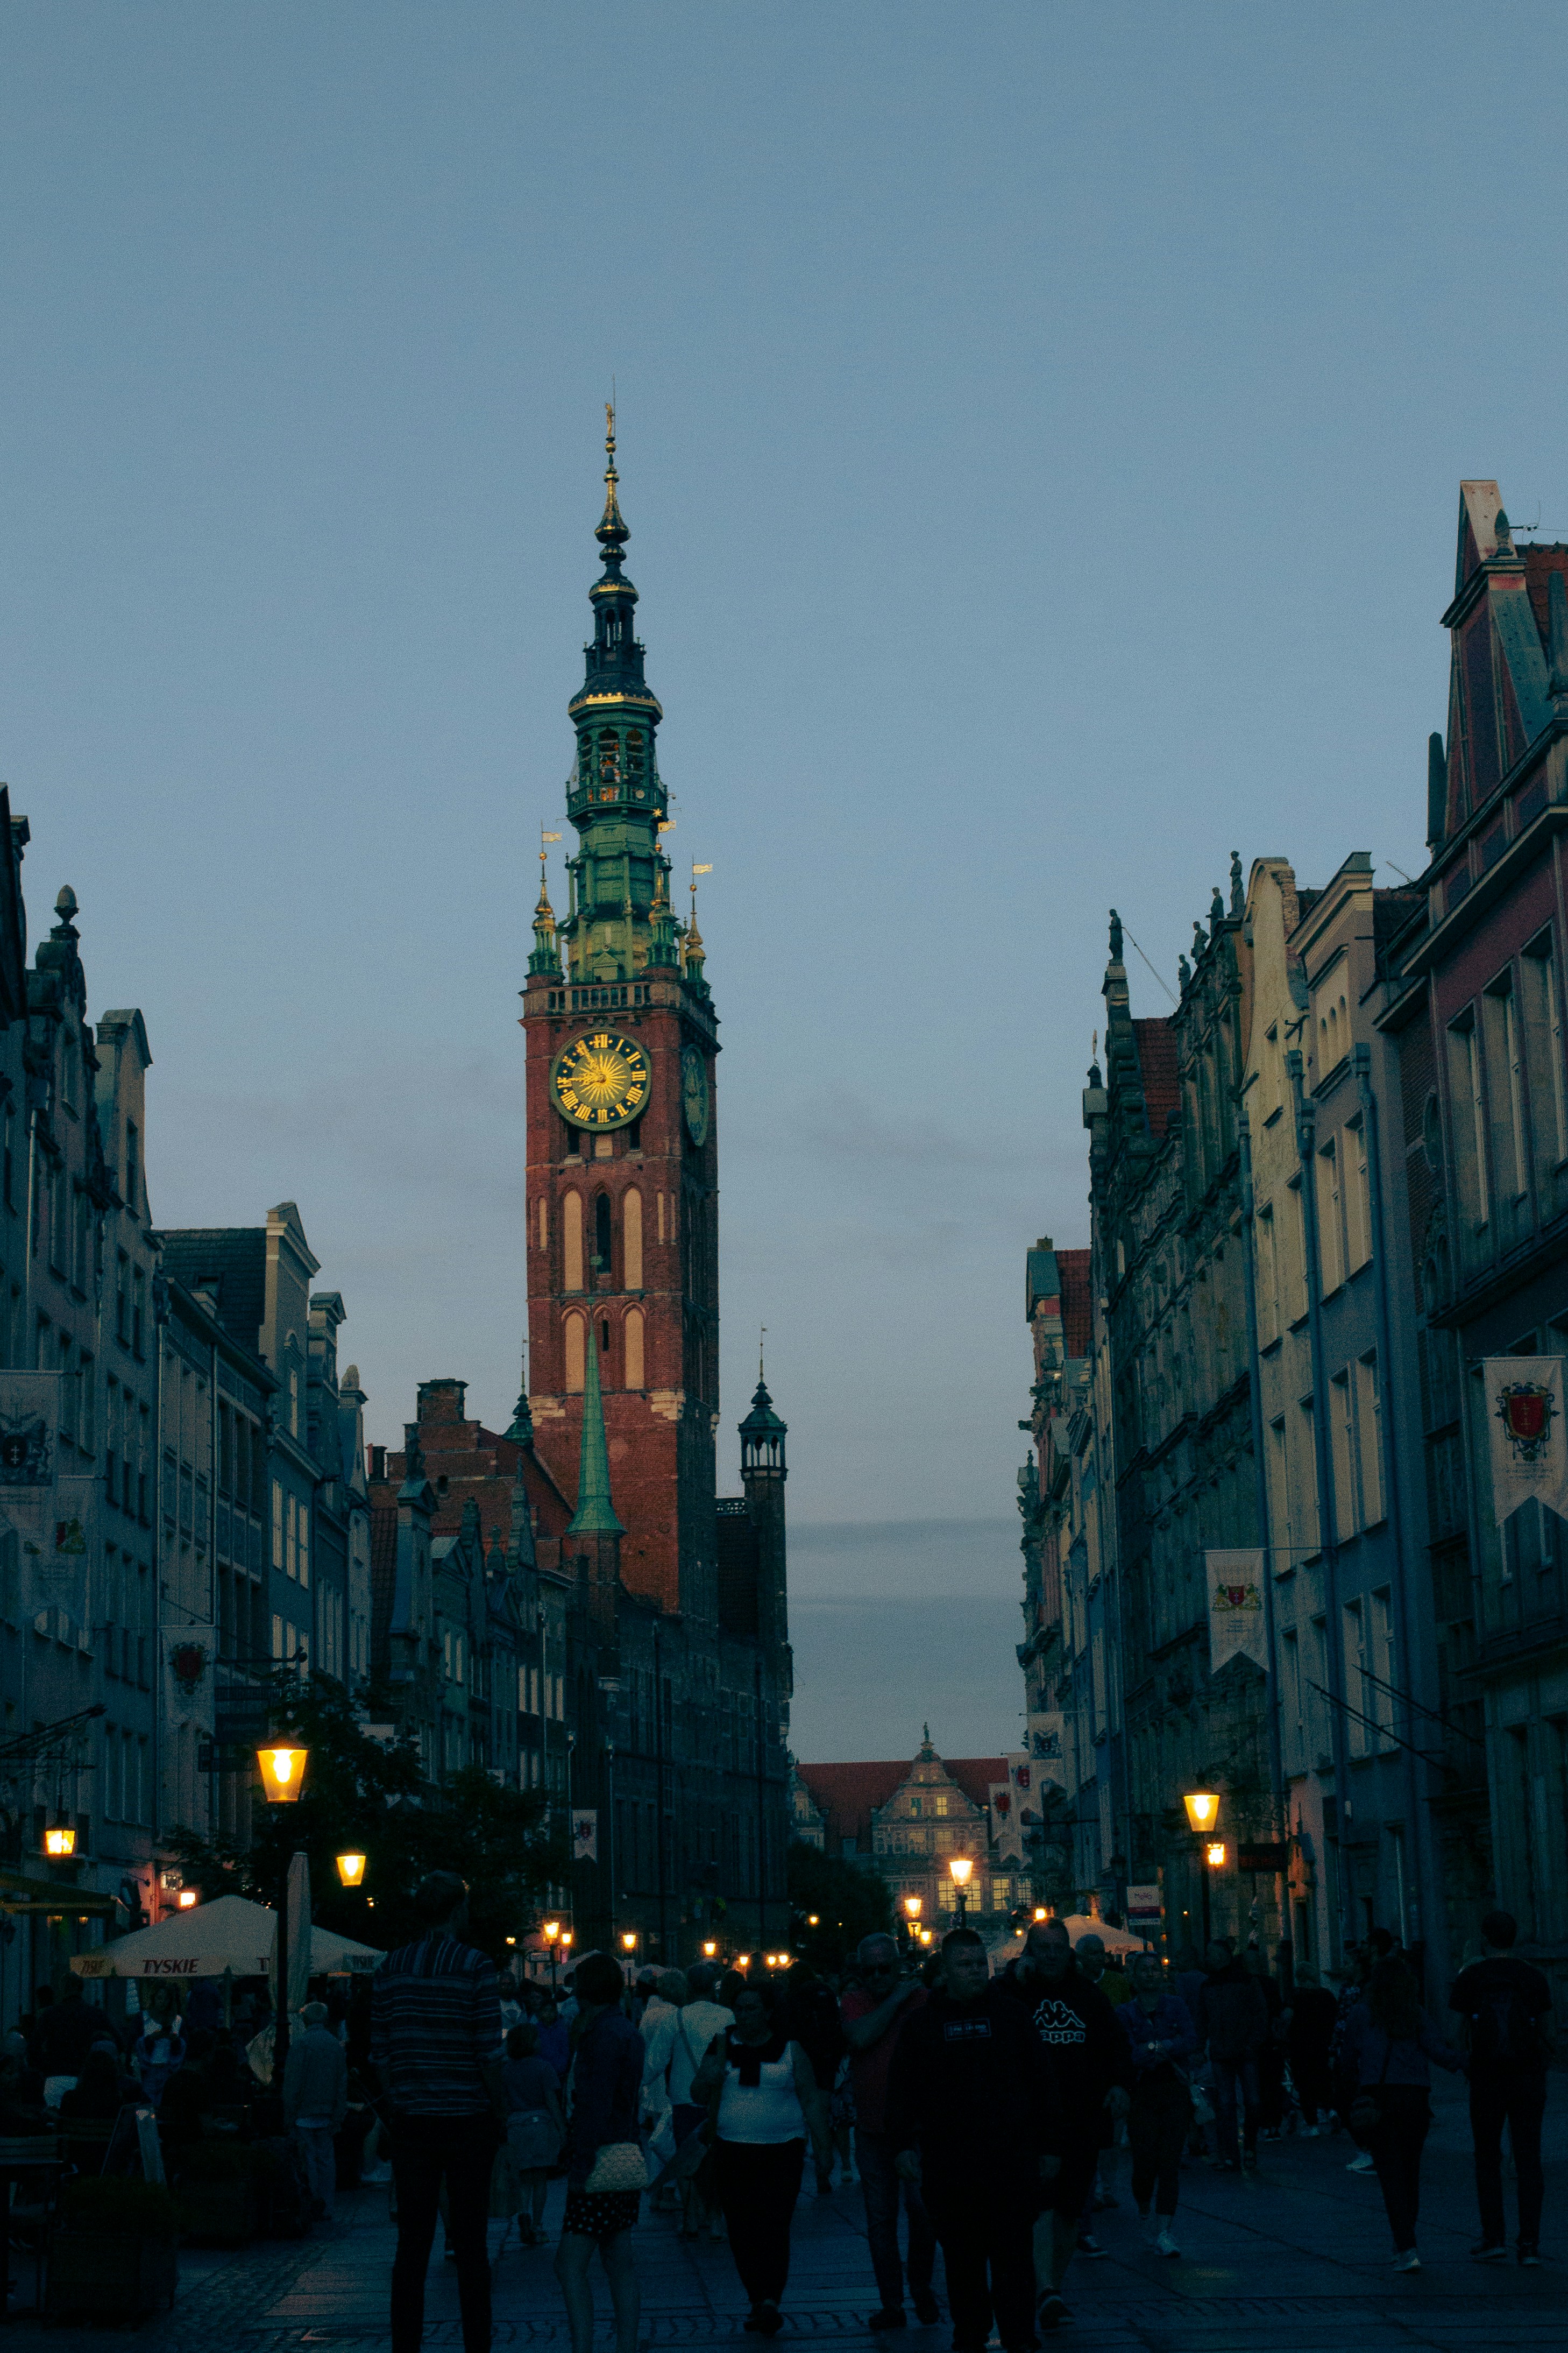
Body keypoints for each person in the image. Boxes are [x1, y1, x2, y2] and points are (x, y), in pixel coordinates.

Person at [888, 1928, 1059, 2353]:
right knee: (962, 2257)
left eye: (979, 1963)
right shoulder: (922, 2026)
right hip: (951, 2164)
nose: (975, 1972)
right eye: (964, 1964)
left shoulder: (1012, 2016)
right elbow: (902, 2090)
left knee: (1013, 2255)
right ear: (945, 1971)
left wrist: (1051, 2145)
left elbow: (1042, 2083)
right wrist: (902, 2145)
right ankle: (970, 2332)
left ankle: (1019, 2332)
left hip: (1009, 2159)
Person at [371, 1871, 506, 2353]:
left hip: (412, 2121)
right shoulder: (475, 1966)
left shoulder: (391, 1968)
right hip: (468, 2118)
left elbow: (381, 2052)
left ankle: (405, 2346)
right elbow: (489, 2051)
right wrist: (501, 2111)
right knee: (470, 2244)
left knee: (412, 2243)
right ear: (456, 1910)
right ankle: (476, 2345)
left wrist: (401, 2101)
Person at [996, 1916, 1129, 2327]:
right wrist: (1012, 1980)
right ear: (1029, 1951)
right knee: (1040, 2204)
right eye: (1043, 1948)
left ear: (1067, 1951)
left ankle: (1050, 2283)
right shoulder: (1013, 1992)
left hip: (1081, 2116)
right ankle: (1046, 2290)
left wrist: (1120, 2085)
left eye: (1057, 1948)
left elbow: (1116, 2045)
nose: (1050, 1956)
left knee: (1070, 2208)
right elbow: (988, 2016)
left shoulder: (1087, 1995)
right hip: (1030, 2120)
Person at [691, 1977, 830, 2335]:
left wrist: (824, 2147)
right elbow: (697, 2092)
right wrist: (706, 2077)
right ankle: (756, 2295)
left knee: (773, 2224)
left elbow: (810, 2098)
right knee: (741, 2226)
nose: (744, 2015)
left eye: (752, 2008)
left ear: (768, 2011)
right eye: (739, 2008)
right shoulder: (721, 2044)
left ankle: (770, 2297)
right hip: (733, 2149)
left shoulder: (789, 2049)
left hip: (781, 2149)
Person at [839, 1933, 939, 2330]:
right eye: (870, 1970)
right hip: (873, 2128)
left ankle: (920, 2287)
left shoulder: (925, 2000)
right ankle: (892, 2303)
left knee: (923, 2213)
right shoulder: (856, 2001)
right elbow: (860, 2035)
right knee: (880, 2220)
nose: (878, 1976)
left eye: (886, 1967)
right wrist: (898, 1997)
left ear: (897, 1963)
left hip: (917, 2129)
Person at [1342, 1954, 1463, 2271]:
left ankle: (1406, 2245)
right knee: (1410, 2173)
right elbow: (1438, 2051)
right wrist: (1462, 2061)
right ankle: (1405, 2241)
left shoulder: (1362, 2014)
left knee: (1391, 2176)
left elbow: (1346, 2060)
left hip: (1379, 2099)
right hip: (1414, 2098)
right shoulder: (1415, 2014)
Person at [1450, 1909, 1556, 2266]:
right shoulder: (1533, 1976)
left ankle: (1493, 2236)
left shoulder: (1471, 1976)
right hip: (1526, 2078)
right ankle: (1529, 2243)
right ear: (1514, 1937)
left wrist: (1465, 2060)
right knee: (1528, 2157)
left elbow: (1456, 2033)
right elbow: (1549, 2032)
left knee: (1486, 2155)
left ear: (1484, 1938)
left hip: (1486, 2078)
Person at [555, 1952, 644, 2353]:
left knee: (569, 2263)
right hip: (623, 2155)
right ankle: (625, 2344)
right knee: (618, 2259)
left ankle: (582, 2345)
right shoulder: (627, 2029)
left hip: (598, 2158)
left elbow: (594, 2104)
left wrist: (581, 2159)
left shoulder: (601, 2035)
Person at [642, 1963, 733, 2239]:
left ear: (689, 1987)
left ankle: (691, 2216)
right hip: (721, 2096)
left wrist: (635, 2084)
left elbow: (654, 2063)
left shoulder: (677, 2018)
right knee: (718, 2160)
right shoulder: (728, 2015)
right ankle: (716, 2218)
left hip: (684, 2097)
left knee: (687, 2160)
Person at [1116, 1955, 1196, 2257]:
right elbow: (1126, 2052)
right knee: (1145, 2162)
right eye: (1144, 1971)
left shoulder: (1176, 2006)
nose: (1151, 1975)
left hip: (1174, 2091)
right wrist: (1156, 2048)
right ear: (1134, 1977)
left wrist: (1163, 2047)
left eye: (1155, 1969)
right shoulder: (1125, 2013)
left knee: (1169, 2162)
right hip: (1142, 2094)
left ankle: (1164, 2229)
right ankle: (1145, 2211)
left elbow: (1190, 2039)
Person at [1193, 1938, 1267, 2173]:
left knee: (1248, 2103)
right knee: (1229, 2104)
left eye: (1211, 1954)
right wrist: (1199, 2047)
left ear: (1222, 1956)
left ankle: (1245, 2150)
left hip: (1239, 2050)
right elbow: (1203, 2020)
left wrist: (1252, 2043)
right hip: (1224, 2052)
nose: (1208, 1958)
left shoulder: (1244, 1982)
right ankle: (1237, 2154)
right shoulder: (1209, 1986)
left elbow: (1260, 2014)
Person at [285, 2000, 350, 2220]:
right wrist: (339, 2113)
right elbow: (342, 2084)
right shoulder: (335, 2046)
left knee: (309, 2159)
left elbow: (293, 2084)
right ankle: (327, 2205)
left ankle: (313, 2202)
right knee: (326, 2160)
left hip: (304, 2112)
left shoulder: (301, 2045)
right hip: (328, 2112)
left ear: (306, 2020)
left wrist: (289, 2113)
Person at [501, 2020, 564, 2247]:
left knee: (523, 2180)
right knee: (540, 2181)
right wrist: (562, 2130)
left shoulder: (506, 2070)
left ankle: (523, 2215)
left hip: (516, 2126)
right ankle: (537, 2226)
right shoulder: (544, 2068)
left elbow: (504, 2103)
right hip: (540, 2126)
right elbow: (552, 2102)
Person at [1285, 1966, 1338, 2136]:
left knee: (1304, 2084)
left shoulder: (1296, 1996)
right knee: (1323, 2080)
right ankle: (1331, 2111)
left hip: (1300, 2045)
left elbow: (1287, 2017)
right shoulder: (1327, 1996)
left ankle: (1312, 2124)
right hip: (1322, 2044)